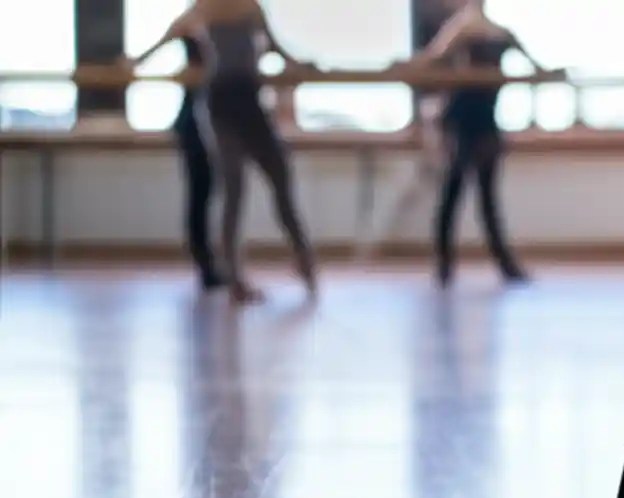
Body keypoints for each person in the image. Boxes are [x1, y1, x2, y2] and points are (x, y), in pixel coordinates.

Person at [131, 0, 318, 304]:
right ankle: (236, 280)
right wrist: (136, 61)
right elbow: (166, 38)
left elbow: (276, 49)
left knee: (280, 177)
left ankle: (305, 263)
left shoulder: (251, 8)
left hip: (249, 101)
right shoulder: (203, 9)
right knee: (234, 189)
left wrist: (301, 66)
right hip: (221, 104)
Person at [397, 0, 544, 285]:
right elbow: (431, 60)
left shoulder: (495, 32)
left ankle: (497, 264)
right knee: (455, 191)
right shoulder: (463, 30)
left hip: (484, 120)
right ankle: (447, 264)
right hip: (464, 120)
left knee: (483, 195)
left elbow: (535, 67)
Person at [358, 0, 461, 256]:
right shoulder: (456, 25)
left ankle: (443, 259)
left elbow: (433, 58)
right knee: (442, 186)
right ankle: (442, 259)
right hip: (442, 117)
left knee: (450, 188)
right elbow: (431, 58)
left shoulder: (464, 25)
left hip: (457, 118)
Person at [126, 34, 222, 290]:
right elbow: (148, 54)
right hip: (194, 122)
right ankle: (206, 263)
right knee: (201, 192)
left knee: (211, 192)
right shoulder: (193, 20)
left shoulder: (235, 17)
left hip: (219, 119)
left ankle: (212, 262)